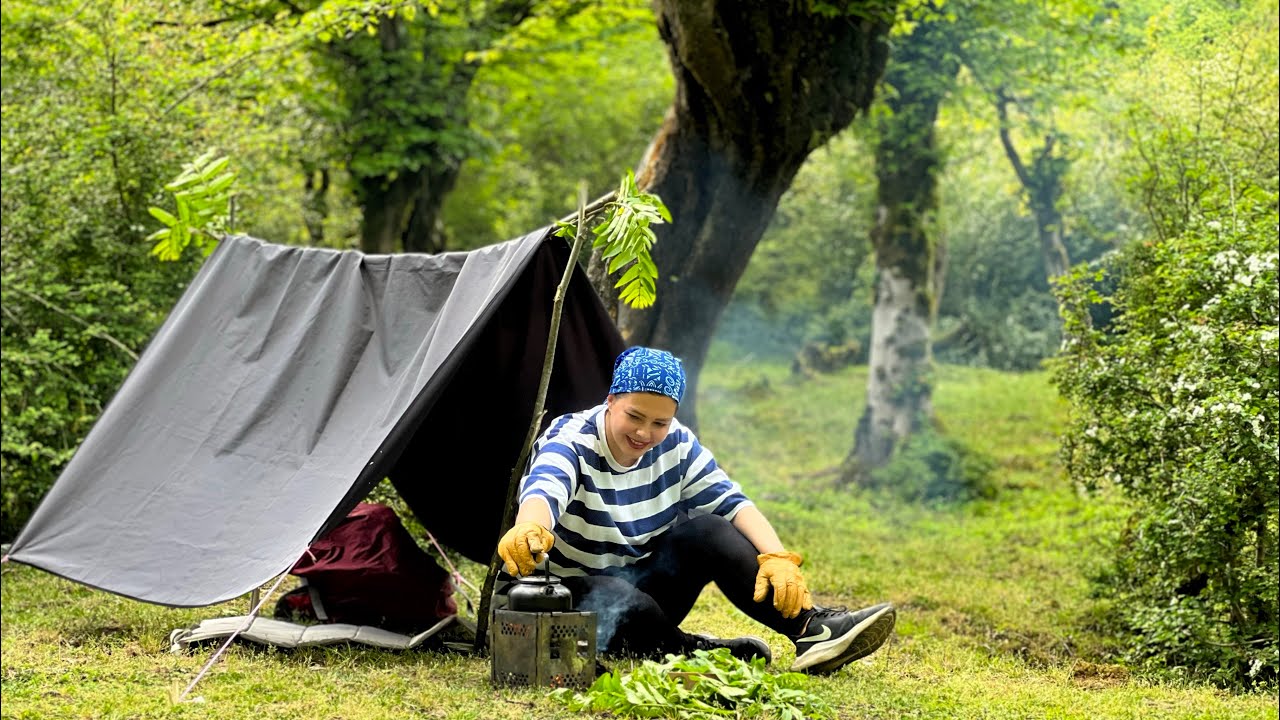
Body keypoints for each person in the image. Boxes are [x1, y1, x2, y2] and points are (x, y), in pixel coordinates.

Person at [496, 346, 895, 674]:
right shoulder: (572, 438)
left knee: (709, 530)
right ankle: (688, 649)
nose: (643, 433)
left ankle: (812, 630)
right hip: (563, 601)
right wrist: (531, 526)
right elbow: (547, 484)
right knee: (613, 592)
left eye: (659, 422)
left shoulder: (678, 445)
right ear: (611, 400)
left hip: (640, 591)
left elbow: (734, 503)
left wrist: (777, 557)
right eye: (634, 416)